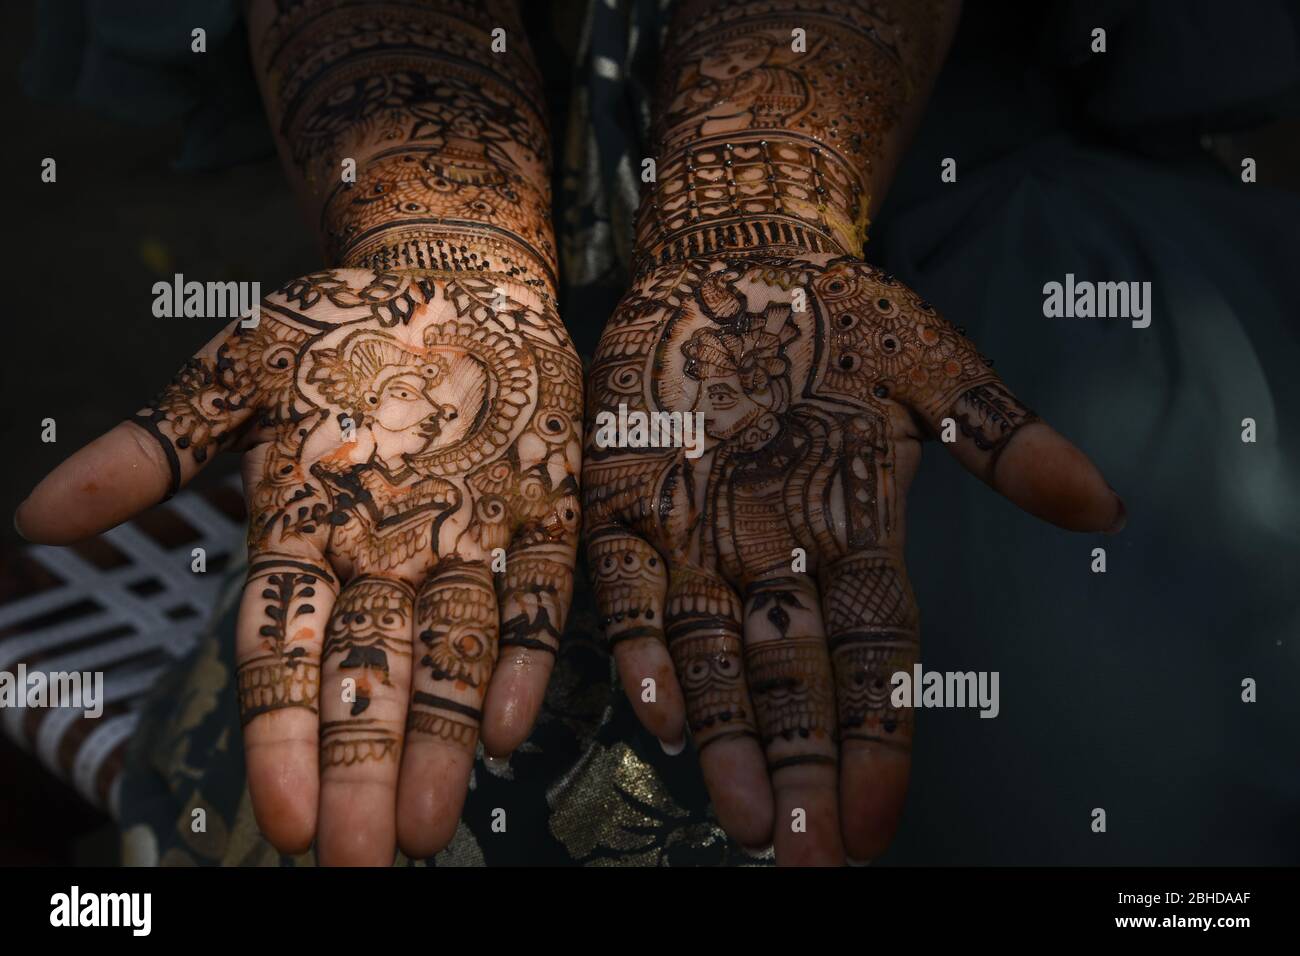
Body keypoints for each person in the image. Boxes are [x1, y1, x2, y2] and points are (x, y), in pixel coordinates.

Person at [16, 0, 1300, 866]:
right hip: (537, 302)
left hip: (967, 218)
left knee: (1109, 780)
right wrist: (437, 234)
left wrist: (760, 207)